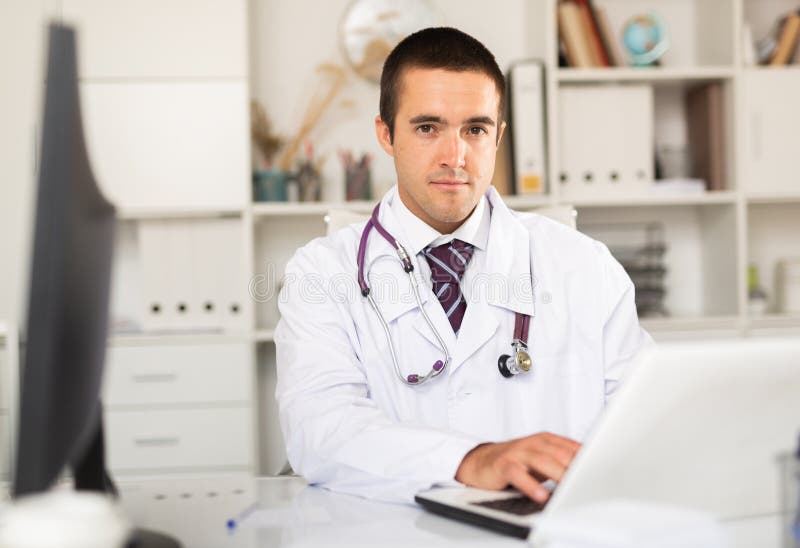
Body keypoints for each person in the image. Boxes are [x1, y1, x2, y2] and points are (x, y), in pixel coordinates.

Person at [275, 27, 652, 504]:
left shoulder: (587, 267)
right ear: (385, 134)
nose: (455, 157)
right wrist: (470, 460)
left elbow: (643, 421)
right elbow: (319, 429)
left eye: (475, 129)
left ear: (498, 137)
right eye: (427, 127)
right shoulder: (320, 274)